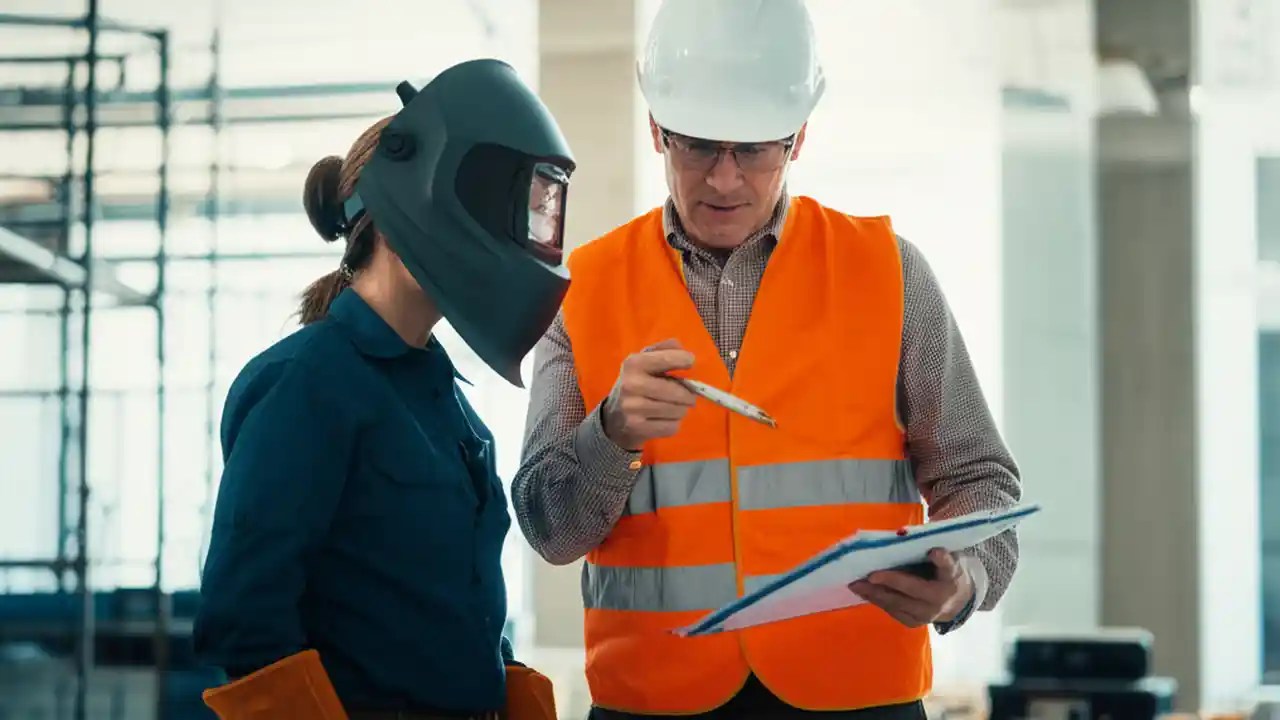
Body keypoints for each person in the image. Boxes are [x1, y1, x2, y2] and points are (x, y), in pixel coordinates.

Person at [511, 2, 1022, 719]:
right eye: (697, 146)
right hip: (653, 702)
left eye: (752, 150)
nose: (723, 180)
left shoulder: (891, 275)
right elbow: (546, 528)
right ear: (656, 130)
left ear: (798, 138)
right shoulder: (584, 293)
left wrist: (965, 577)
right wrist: (611, 433)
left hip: (857, 697)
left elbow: (981, 480)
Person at [193, 58, 573, 720]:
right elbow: (245, 619)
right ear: (406, 216)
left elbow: (458, 611)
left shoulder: (452, 407)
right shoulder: (306, 384)